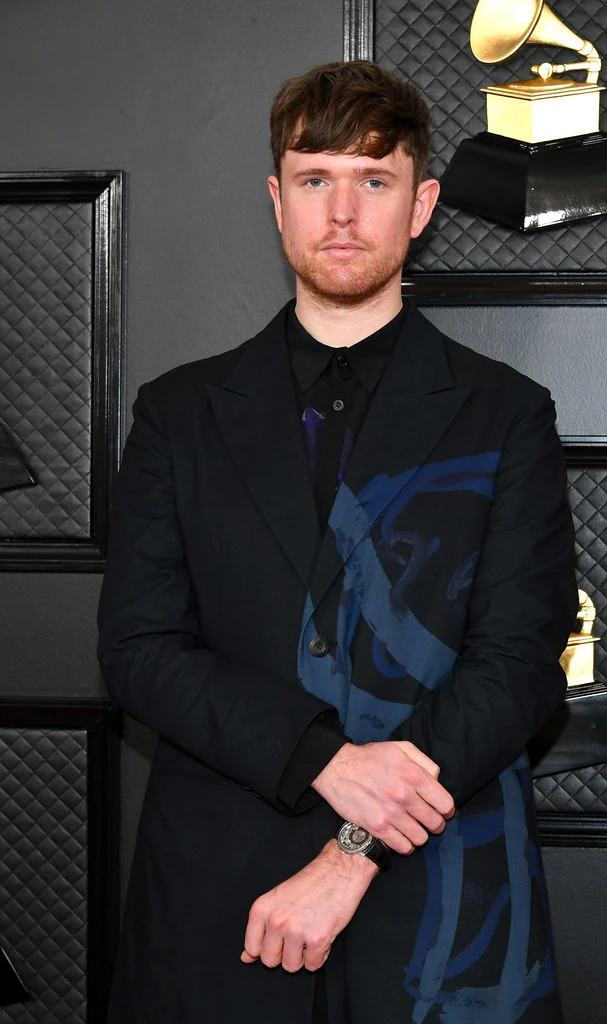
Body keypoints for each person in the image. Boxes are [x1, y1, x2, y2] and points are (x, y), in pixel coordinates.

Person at [98, 59, 577, 1024]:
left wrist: (351, 850)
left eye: (374, 179)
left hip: (440, 895)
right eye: (315, 178)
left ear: (421, 204)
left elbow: (518, 667)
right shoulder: (177, 414)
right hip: (219, 892)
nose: (344, 212)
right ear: (278, 201)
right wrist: (325, 759)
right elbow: (140, 651)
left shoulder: (506, 414)